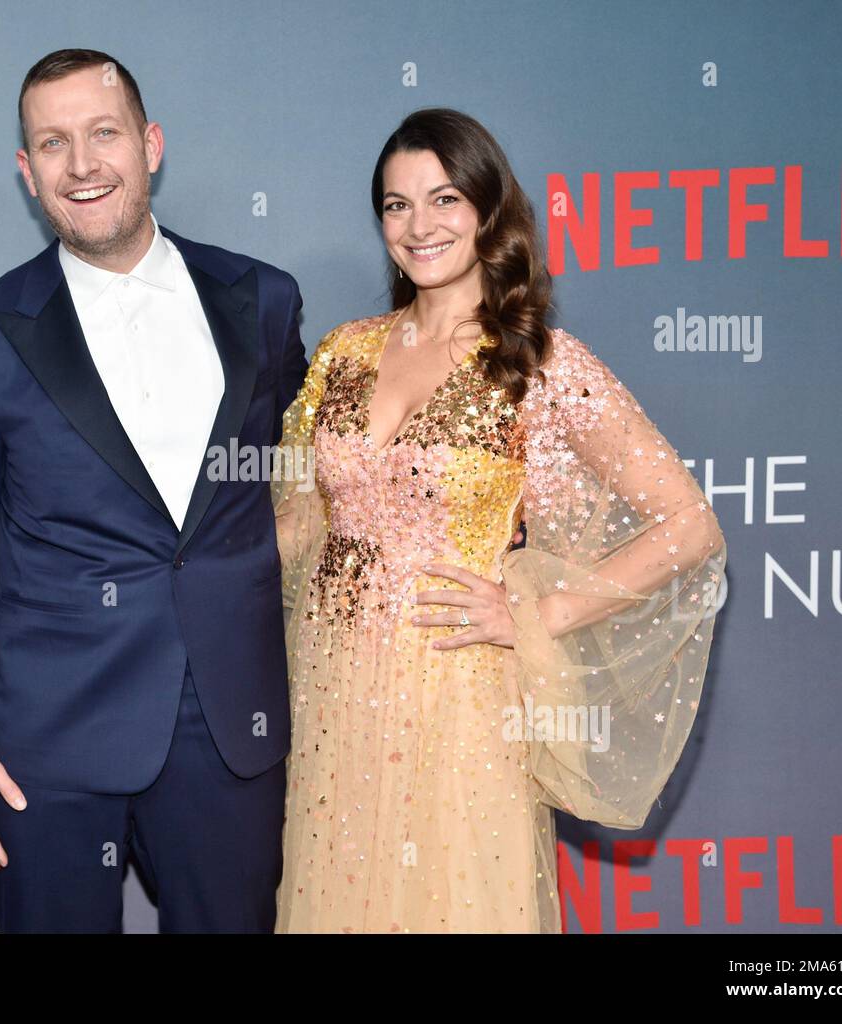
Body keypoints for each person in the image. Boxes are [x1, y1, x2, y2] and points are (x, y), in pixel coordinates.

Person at [271, 108, 728, 933]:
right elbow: (297, 525)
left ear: (487, 209)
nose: (419, 226)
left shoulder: (540, 364)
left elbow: (689, 527)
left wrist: (538, 611)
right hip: (333, 701)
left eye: (443, 198)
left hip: (461, 698)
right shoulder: (342, 352)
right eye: (396, 204)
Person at [0, 48, 309, 932]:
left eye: (103, 134)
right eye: (53, 144)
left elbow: (302, 487)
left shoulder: (265, 300)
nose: (82, 164)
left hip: (229, 730)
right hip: (47, 743)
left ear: (151, 143)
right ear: (26, 171)